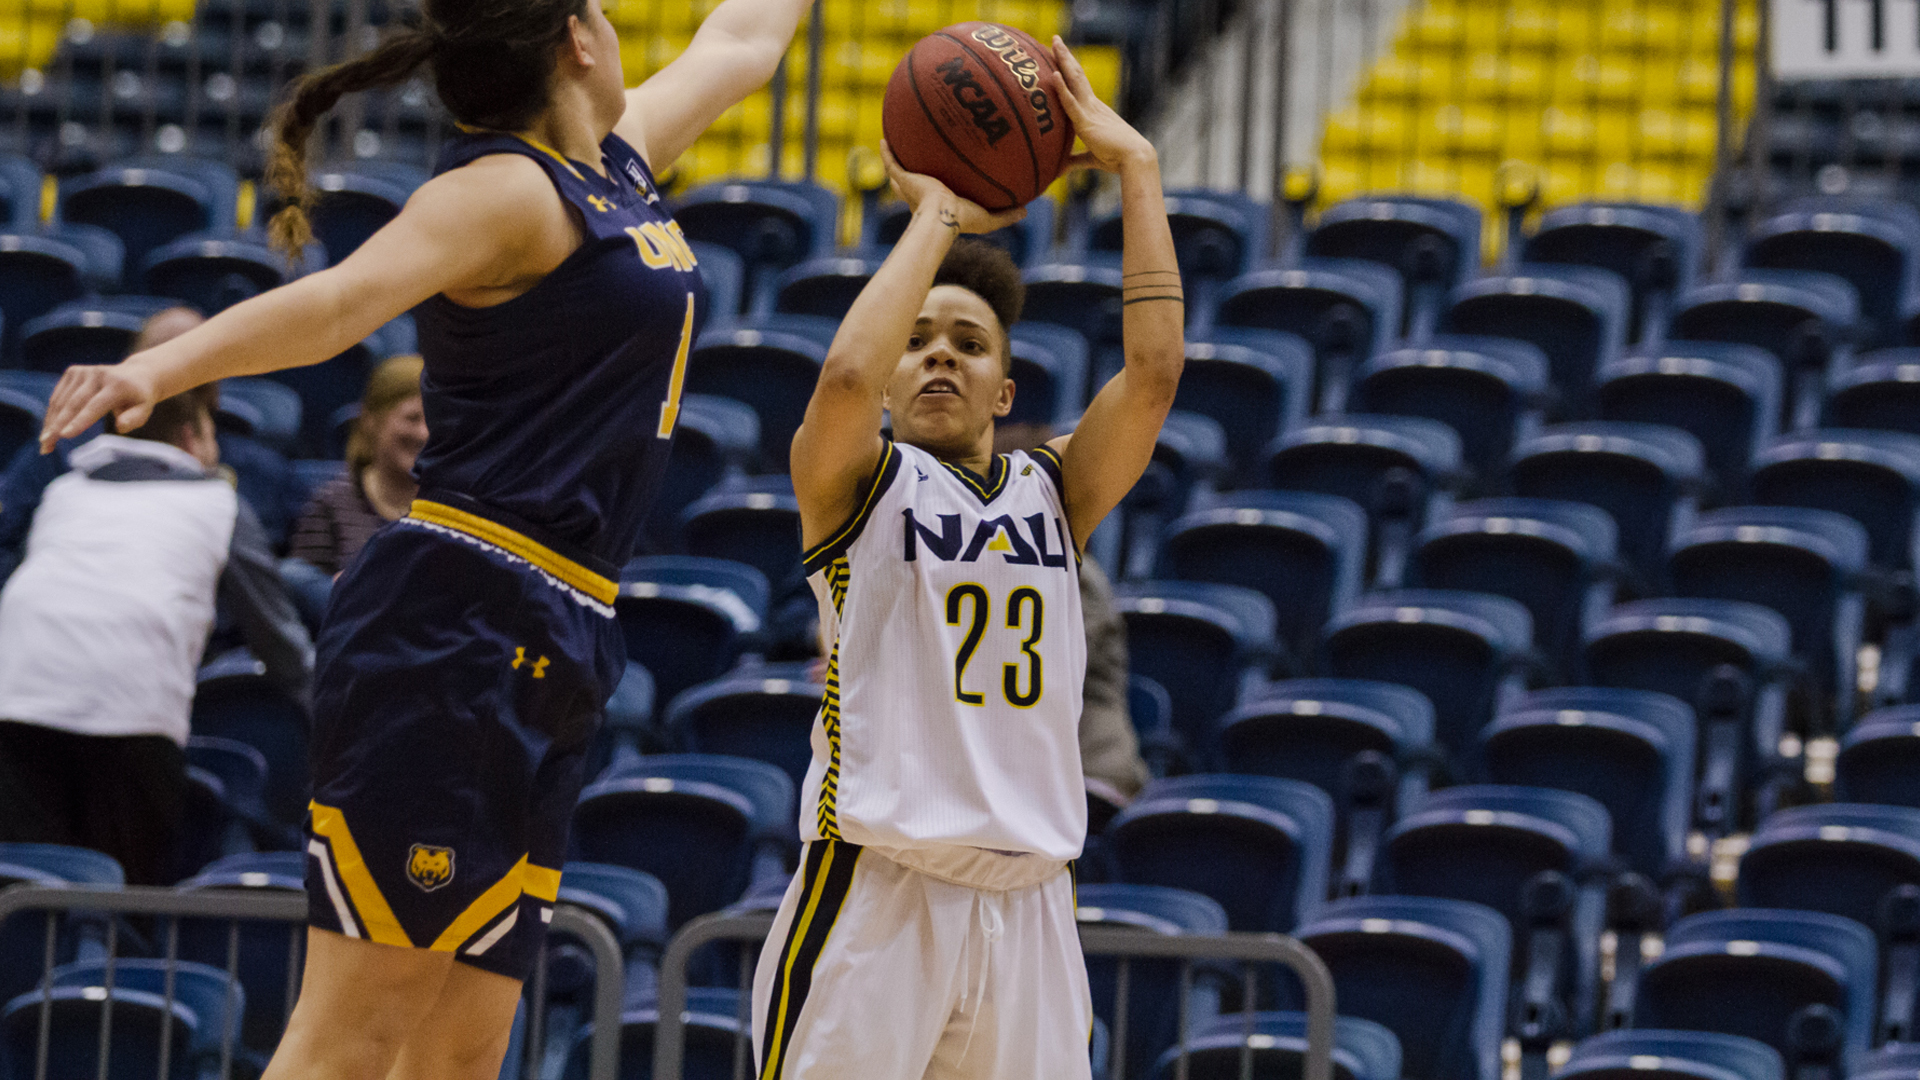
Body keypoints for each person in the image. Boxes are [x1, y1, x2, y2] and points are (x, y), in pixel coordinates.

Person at [39, 0, 810, 1072]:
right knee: (349, 1037)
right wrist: (159, 369)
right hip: (461, 620)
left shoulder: (611, 171)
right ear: (578, 40)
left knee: (459, 1050)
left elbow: (739, 44)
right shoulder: (505, 191)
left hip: (558, 626)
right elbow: (343, 300)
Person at [755, 40, 1183, 1079]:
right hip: (878, 888)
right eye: (925, 338)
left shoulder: (1055, 490)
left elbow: (1156, 370)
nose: (941, 351)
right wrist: (938, 213)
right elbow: (850, 373)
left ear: (1005, 391)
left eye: (972, 342)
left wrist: (1138, 170)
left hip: (1031, 902)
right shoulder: (856, 482)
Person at [0, 389, 312, 886]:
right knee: (127, 897)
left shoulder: (64, 491)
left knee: (32, 892)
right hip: (130, 708)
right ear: (192, 435)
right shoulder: (218, 501)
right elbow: (277, 637)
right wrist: (323, 707)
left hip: (17, 697)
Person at [289, 354, 428, 575]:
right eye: (411, 419)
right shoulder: (330, 503)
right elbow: (304, 595)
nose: (423, 433)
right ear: (370, 420)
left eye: (432, 421)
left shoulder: (454, 505)